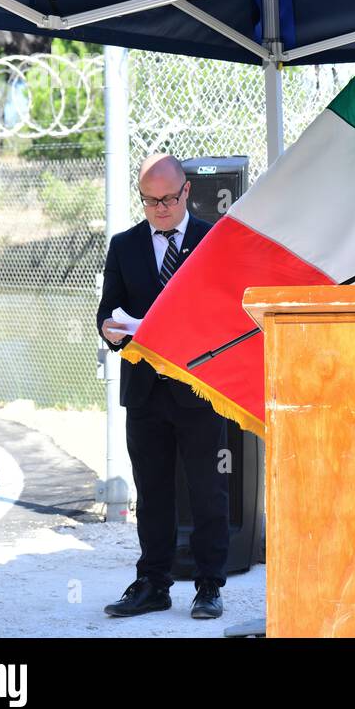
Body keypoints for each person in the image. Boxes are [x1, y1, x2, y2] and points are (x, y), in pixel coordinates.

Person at [95, 154, 229, 620]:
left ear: (187, 191)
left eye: (168, 199)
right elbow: (108, 309)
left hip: (197, 388)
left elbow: (228, 311)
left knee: (206, 488)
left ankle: (210, 585)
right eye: (150, 201)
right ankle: (153, 582)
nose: (160, 209)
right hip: (146, 390)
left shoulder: (213, 240)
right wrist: (110, 328)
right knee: (151, 491)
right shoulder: (125, 245)